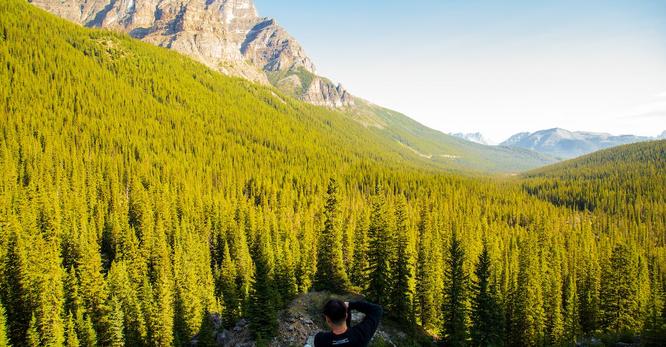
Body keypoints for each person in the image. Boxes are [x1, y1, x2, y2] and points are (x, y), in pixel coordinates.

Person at [313, 299, 383, 347]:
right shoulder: (361, 335)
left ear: (327, 319)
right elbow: (377, 309)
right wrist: (350, 304)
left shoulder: (320, 340)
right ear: (346, 316)